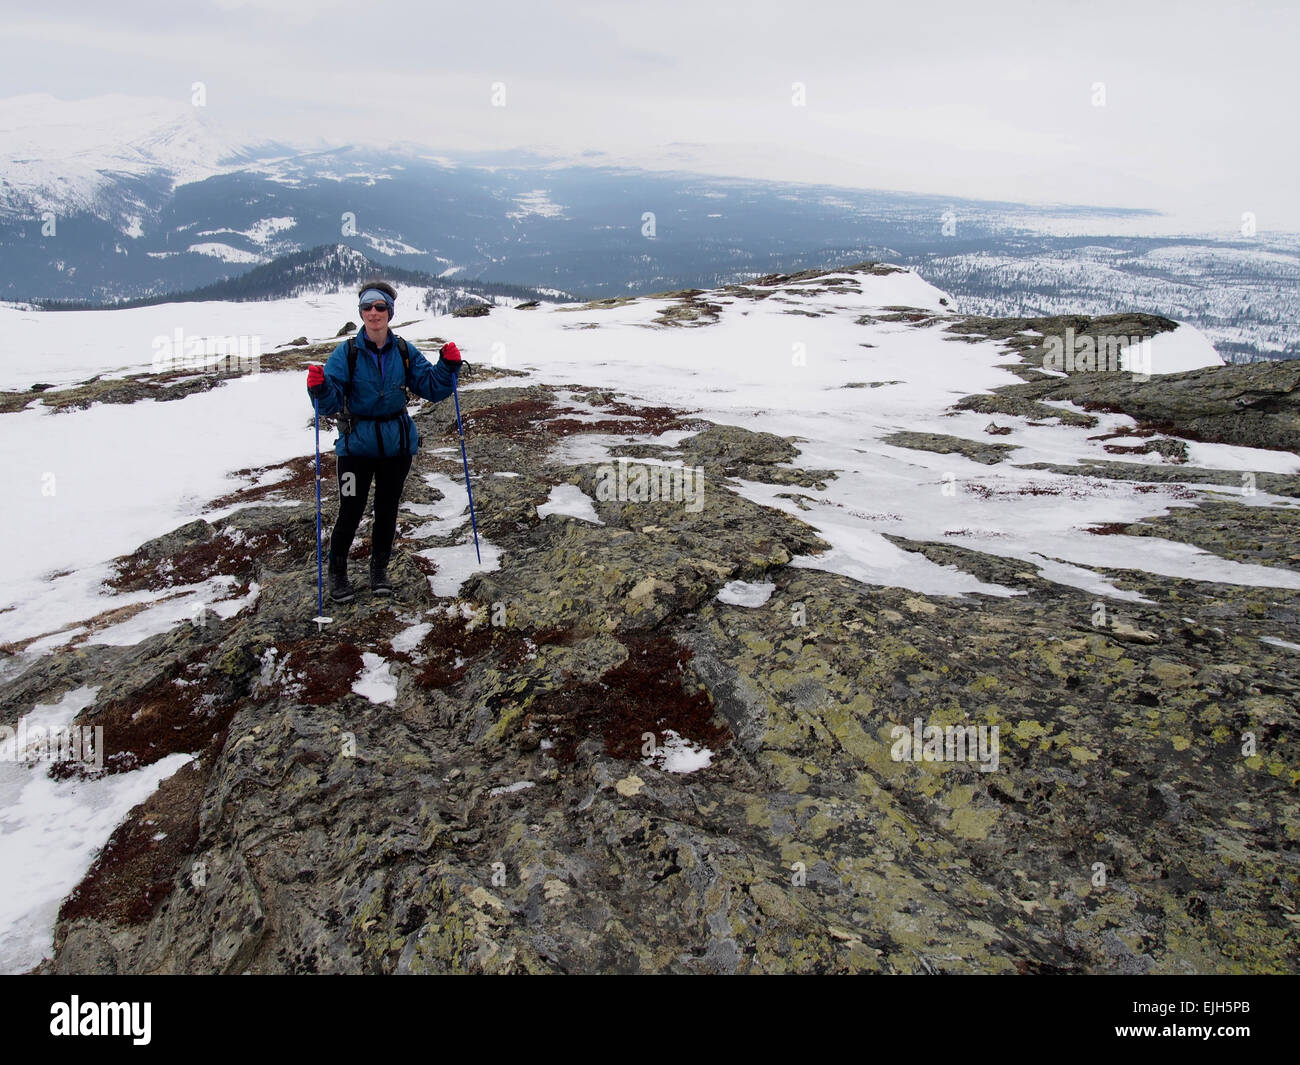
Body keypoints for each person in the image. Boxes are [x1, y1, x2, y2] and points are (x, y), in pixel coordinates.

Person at [306, 280, 465, 603]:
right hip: (355, 449)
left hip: (396, 447)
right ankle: (338, 575)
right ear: (361, 313)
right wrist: (319, 389)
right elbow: (331, 403)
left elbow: (431, 387)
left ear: (389, 312)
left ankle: (378, 572)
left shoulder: (404, 351)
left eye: (380, 307)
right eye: (367, 307)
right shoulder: (346, 353)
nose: (374, 313)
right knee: (350, 510)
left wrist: (448, 366)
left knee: (387, 509)